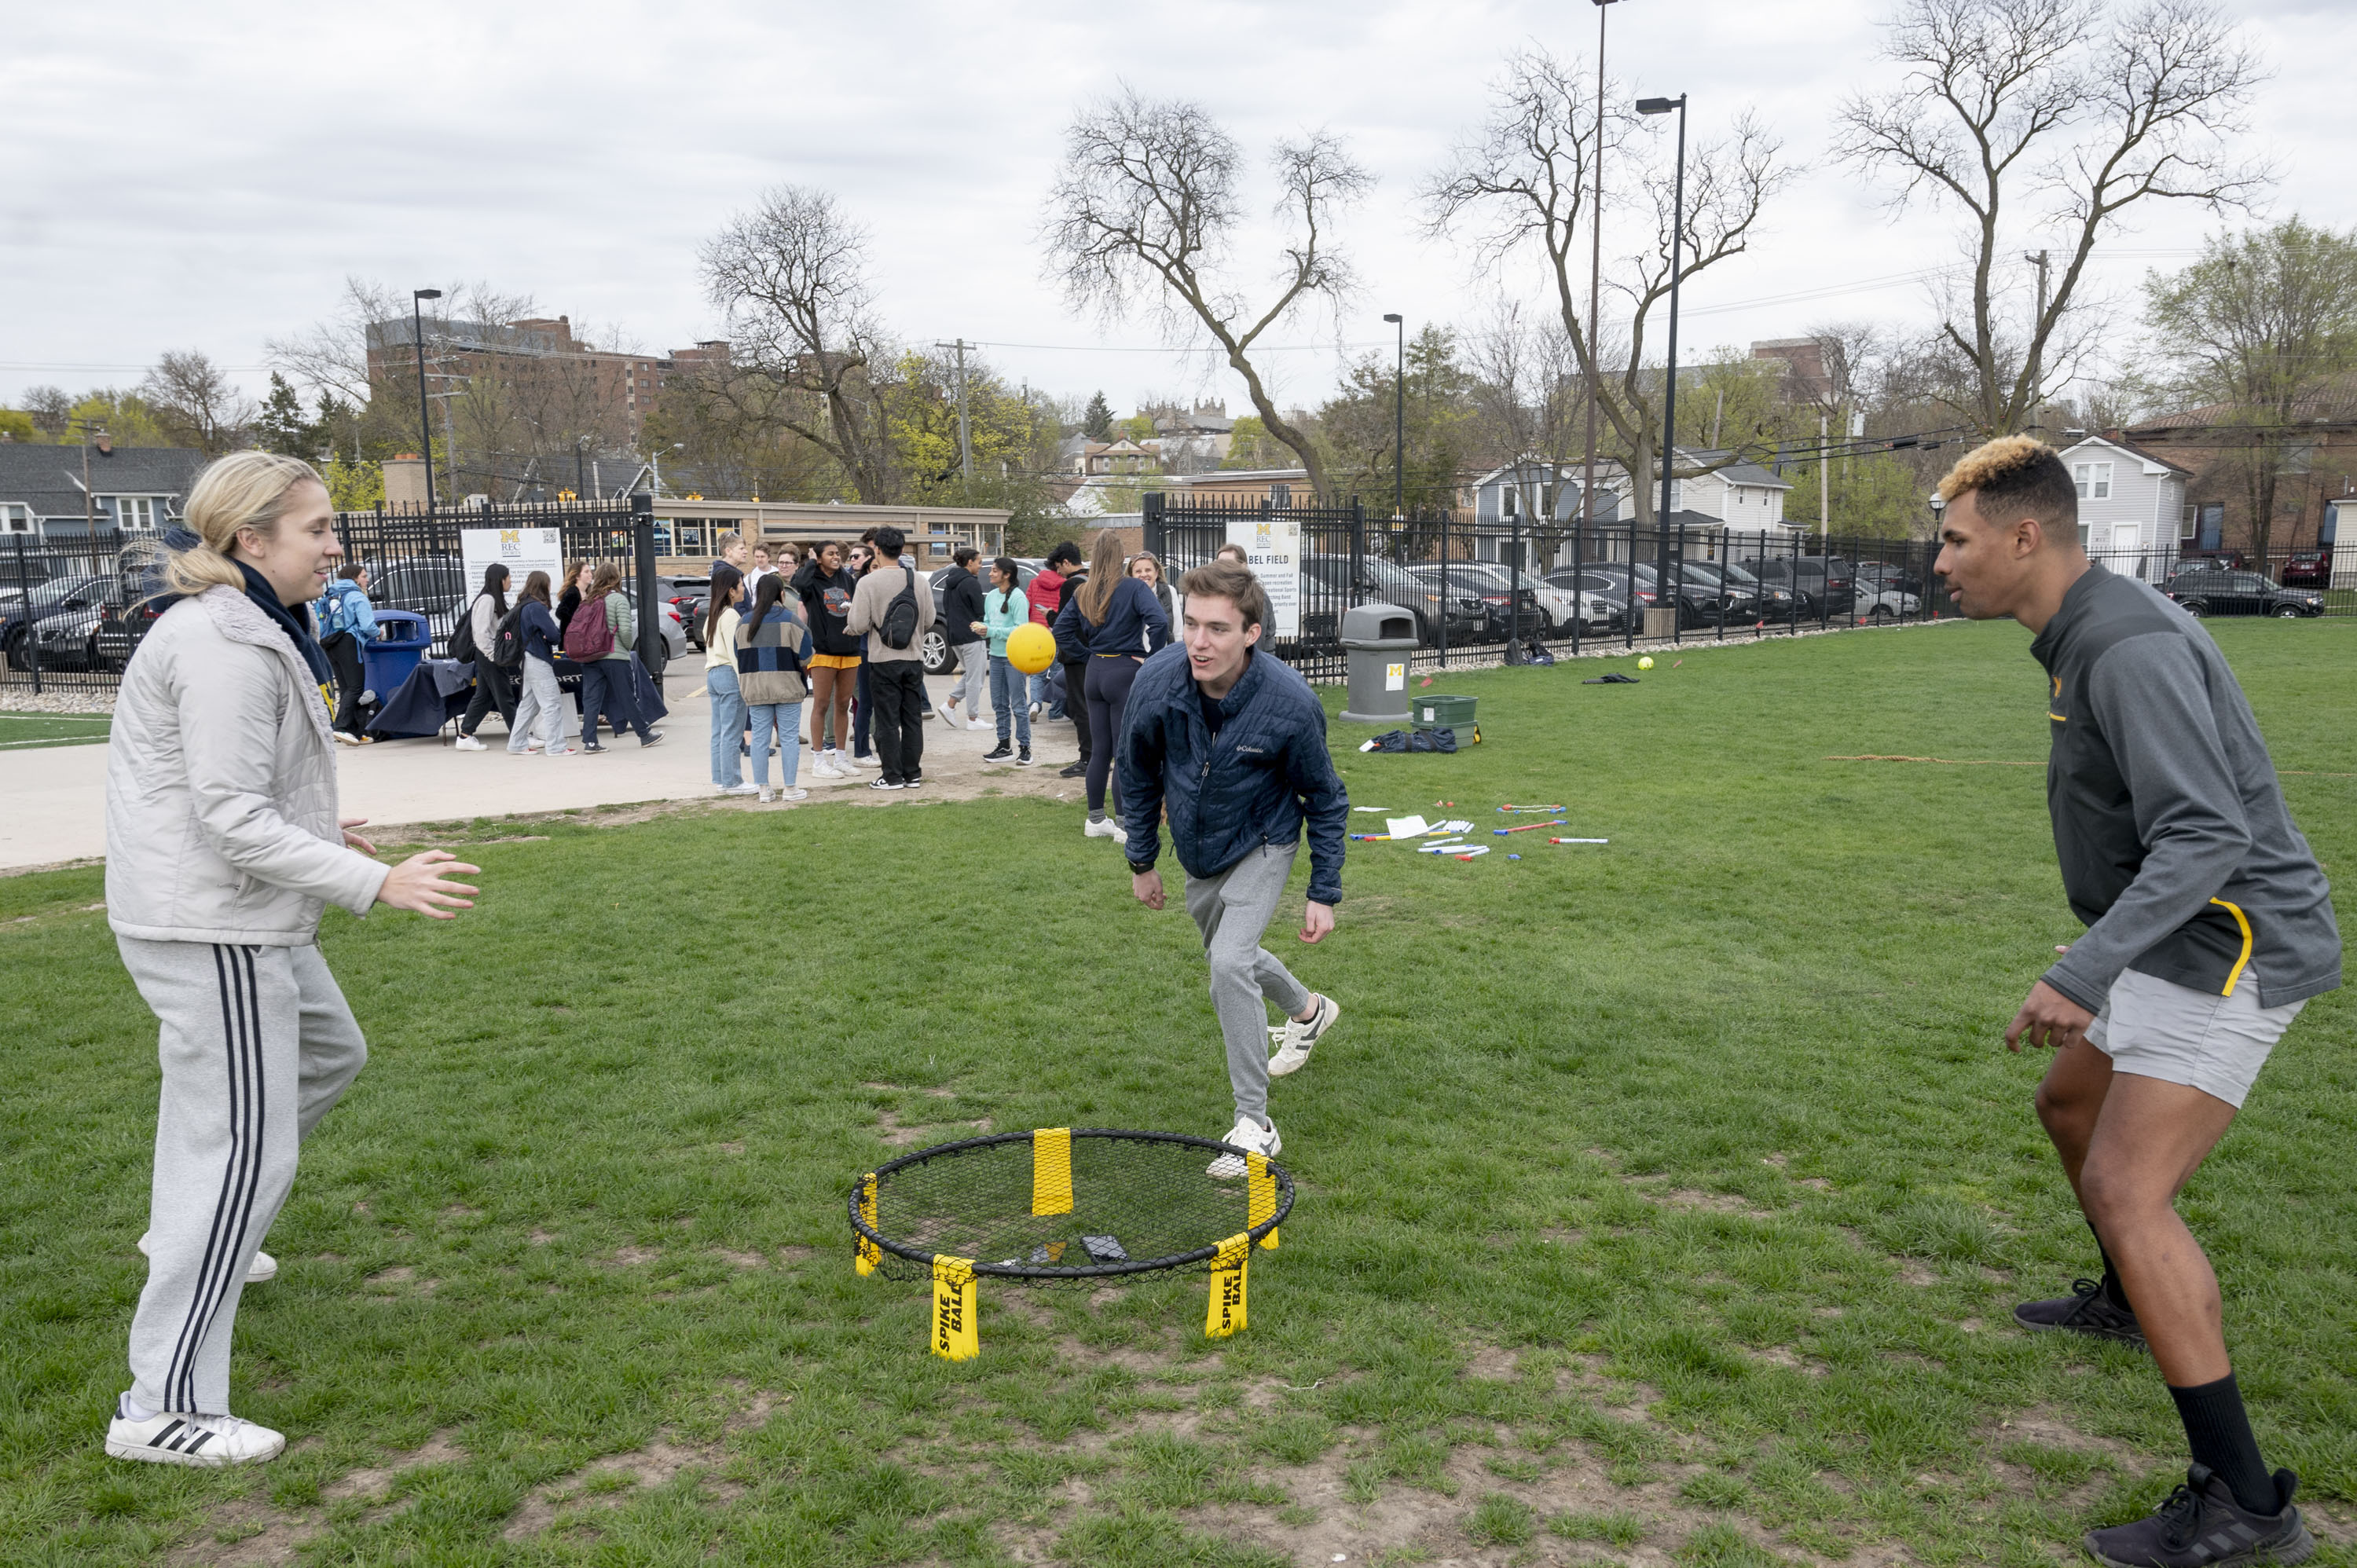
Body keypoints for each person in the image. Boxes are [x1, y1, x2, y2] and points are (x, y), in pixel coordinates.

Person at [1932, 435, 2338, 1568]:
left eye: (1956, 540)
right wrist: (2113, 939)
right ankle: (2127, 1297)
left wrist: (2086, 967)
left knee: (2127, 1183)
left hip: (2234, 947)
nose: (1940, 562)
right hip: (2178, 935)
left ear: (2025, 537)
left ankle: (2247, 1502)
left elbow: (2207, 831)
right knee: (2071, 1112)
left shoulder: (2124, 644)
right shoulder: (2086, 627)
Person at [103, 451, 481, 1469]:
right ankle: (163, 1409)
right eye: (316, 529)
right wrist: (375, 881)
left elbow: (237, 794)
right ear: (249, 541)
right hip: (214, 927)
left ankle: (207, 1214)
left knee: (329, 1052)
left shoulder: (251, 626)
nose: (335, 546)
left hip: (236, 912)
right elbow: (226, 815)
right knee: (239, 1156)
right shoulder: (224, 641)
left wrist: (324, 833)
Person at [1120, 556, 1345, 1178]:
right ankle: (1309, 1010)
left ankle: (1256, 1125)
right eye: (1190, 624)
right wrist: (1142, 859)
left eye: (1217, 628)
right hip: (1198, 847)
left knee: (1226, 964)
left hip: (1266, 837)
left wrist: (1323, 890)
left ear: (1251, 632)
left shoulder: (1290, 703)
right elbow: (1135, 775)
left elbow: (1326, 797)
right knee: (1233, 955)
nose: (1198, 642)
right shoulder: (1159, 683)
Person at [1055, 532, 1169, 837]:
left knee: (1099, 750)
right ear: (1121, 557)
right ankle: (1123, 823)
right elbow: (1160, 622)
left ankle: (1095, 819)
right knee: (1123, 751)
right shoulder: (1132, 587)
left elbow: (1060, 631)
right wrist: (1153, 660)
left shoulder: (1083, 591)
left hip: (1096, 671)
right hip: (1125, 668)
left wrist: (1087, 655)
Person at [842, 524, 935, 791]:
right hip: (914, 657)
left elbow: (858, 624)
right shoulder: (918, 580)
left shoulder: (868, 582)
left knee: (886, 720)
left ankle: (892, 776)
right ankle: (913, 774)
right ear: (903, 549)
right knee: (912, 718)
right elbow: (928, 620)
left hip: (883, 659)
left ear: (877, 550)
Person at [566, 563, 662, 751]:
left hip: (591, 657)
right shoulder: (618, 599)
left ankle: (590, 741)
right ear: (616, 579)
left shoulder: (588, 600)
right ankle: (645, 734)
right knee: (626, 696)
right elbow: (625, 631)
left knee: (591, 700)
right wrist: (625, 648)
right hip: (614, 656)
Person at [735, 573, 811, 802]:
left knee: (759, 738)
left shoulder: (743, 622)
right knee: (788, 739)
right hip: (787, 686)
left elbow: (738, 654)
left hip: (756, 687)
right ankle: (790, 788)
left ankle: (763, 789)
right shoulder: (792, 620)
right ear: (781, 594)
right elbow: (807, 656)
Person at [790, 540, 860, 777]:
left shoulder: (846, 579)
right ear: (819, 558)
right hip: (822, 651)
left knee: (843, 704)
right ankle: (819, 760)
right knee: (821, 704)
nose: (836, 557)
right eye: (830, 554)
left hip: (849, 650)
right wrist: (810, 562)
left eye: (837, 553)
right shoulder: (811, 580)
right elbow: (797, 583)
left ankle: (841, 757)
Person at [505, 570, 576, 757]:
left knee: (529, 704)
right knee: (552, 703)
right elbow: (554, 635)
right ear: (543, 586)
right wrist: (550, 636)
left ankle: (517, 743)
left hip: (526, 659)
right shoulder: (537, 608)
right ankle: (556, 746)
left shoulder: (522, 605)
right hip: (538, 658)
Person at [453, 562, 516, 751]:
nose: (510, 581)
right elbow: (481, 633)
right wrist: (493, 656)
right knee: (505, 696)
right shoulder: (488, 600)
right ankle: (518, 735)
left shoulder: (490, 599)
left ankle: (465, 735)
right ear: (501, 580)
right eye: (508, 577)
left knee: (484, 696)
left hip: (488, 655)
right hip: (489, 655)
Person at [703, 564, 754, 796]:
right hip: (728, 673)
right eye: (741, 584)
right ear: (731, 591)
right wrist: (745, 680)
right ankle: (733, 781)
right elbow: (736, 653)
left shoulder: (713, 614)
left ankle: (721, 779)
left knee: (719, 731)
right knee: (732, 732)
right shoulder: (732, 614)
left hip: (713, 674)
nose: (743, 589)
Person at [981, 555, 1036, 767]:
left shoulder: (1019, 598)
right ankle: (1004, 746)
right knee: (999, 705)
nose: (990, 573)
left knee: (1019, 705)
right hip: (995, 656)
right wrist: (981, 629)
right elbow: (988, 622)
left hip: (1014, 658)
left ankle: (1025, 748)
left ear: (1007, 575)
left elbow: (1021, 630)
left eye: (995, 570)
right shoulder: (991, 596)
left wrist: (991, 630)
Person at [1043, 541, 1091, 778]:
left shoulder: (1071, 585)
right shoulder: (1092, 581)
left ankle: (1087, 758)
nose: (1058, 573)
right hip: (1096, 652)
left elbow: (1063, 623)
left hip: (1076, 656)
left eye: (1057, 567)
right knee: (1094, 707)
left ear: (1065, 562)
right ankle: (1099, 755)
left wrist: (1049, 615)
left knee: (1079, 708)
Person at [317, 562, 376, 746]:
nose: (367, 580)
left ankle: (355, 732)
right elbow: (367, 625)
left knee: (345, 687)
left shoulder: (332, 593)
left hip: (330, 642)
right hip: (349, 642)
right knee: (356, 687)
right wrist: (378, 633)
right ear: (354, 579)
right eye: (364, 576)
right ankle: (341, 727)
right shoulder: (356, 597)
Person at [937, 545, 990, 730]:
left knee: (973, 674)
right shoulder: (971, 582)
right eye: (979, 562)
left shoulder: (949, 583)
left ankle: (950, 704)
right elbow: (980, 610)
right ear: (970, 562)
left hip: (954, 635)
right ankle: (973, 718)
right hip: (971, 634)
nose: (981, 566)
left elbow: (947, 607)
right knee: (976, 678)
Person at [1024, 545, 1068, 720]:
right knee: (1058, 673)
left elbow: (1027, 606)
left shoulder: (1034, 582)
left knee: (1037, 672)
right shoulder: (1065, 584)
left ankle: (1035, 703)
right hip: (1055, 632)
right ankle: (1055, 712)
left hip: (1037, 633)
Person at [1131, 550, 1177, 639]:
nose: (1143, 574)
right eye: (1138, 571)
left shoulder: (1170, 592)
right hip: (1136, 652)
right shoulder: (1126, 596)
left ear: (1156, 573)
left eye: (1148, 570)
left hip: (1164, 652)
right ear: (1132, 575)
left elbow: (1177, 630)